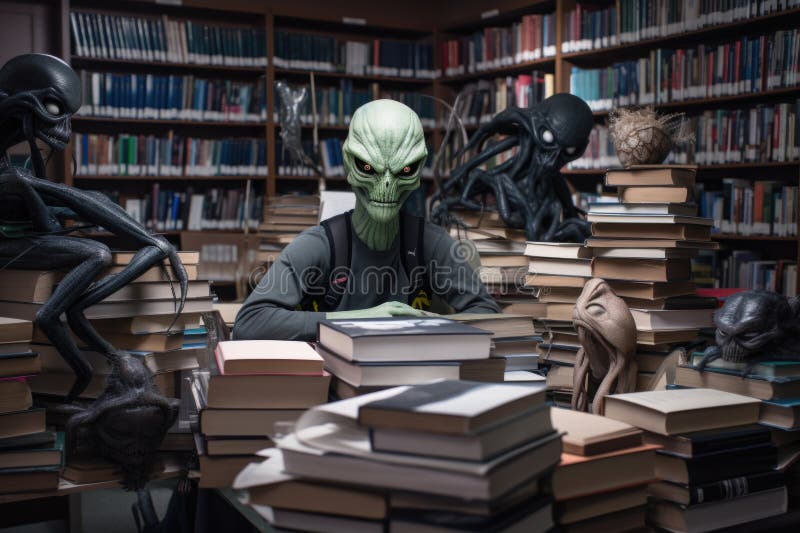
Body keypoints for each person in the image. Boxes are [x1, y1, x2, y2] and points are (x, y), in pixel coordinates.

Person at [233, 99, 500, 341]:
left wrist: (428, 324)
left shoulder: (430, 243)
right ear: (349, 165)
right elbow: (250, 322)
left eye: (404, 171)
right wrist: (362, 320)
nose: (387, 186)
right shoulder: (319, 246)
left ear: (418, 172)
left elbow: (489, 314)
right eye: (369, 168)